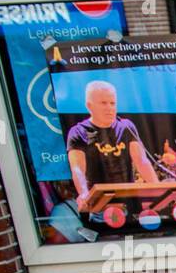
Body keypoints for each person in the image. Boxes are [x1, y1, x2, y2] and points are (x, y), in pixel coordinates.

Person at [66, 80, 159, 219]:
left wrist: (157, 188)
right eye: (103, 103)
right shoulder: (78, 132)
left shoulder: (126, 127)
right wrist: (84, 193)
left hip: (130, 202)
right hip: (101, 208)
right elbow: (78, 169)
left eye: (112, 103)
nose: (109, 108)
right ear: (89, 106)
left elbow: (141, 161)